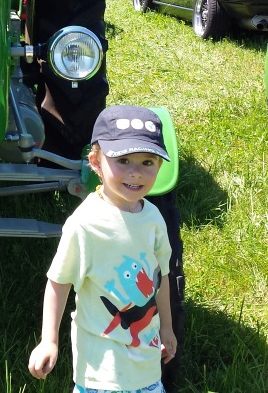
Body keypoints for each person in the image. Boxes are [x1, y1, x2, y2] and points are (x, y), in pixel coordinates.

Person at [28, 105, 177, 392]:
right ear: (95, 162)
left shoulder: (154, 219)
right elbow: (59, 281)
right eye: (123, 160)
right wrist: (49, 340)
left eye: (148, 162)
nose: (136, 173)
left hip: (147, 371)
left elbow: (161, 278)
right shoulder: (85, 225)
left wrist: (167, 328)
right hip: (99, 374)